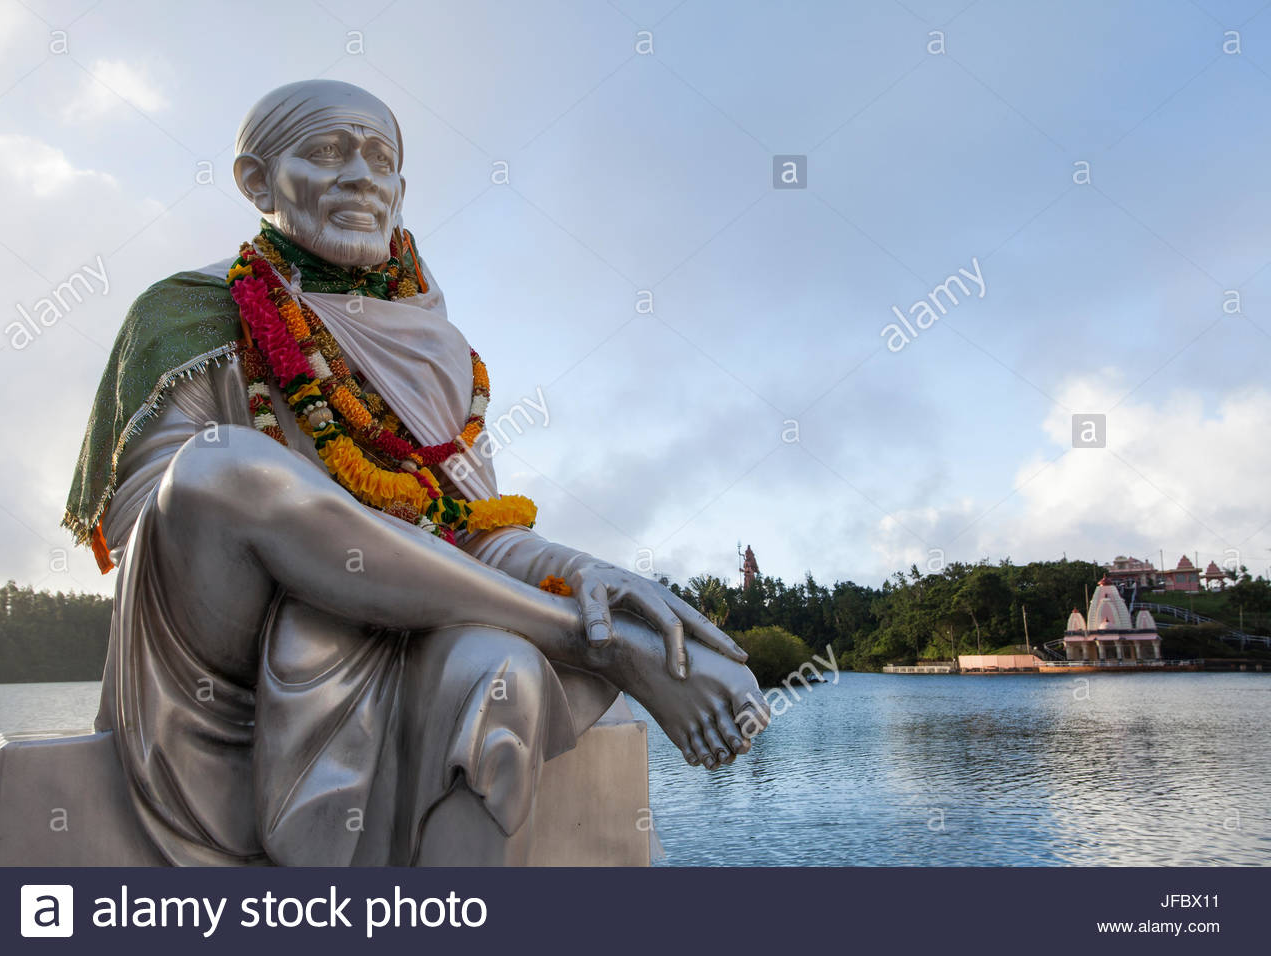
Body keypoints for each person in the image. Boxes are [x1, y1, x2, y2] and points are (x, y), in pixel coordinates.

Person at [63, 79, 768, 866]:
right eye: (328, 152)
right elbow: (160, 529)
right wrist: (314, 546)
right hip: (223, 639)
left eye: (382, 159)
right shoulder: (186, 313)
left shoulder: (436, 346)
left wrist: (592, 574)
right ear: (256, 181)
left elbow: (473, 530)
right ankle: (585, 641)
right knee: (223, 468)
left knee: (502, 676)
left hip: (410, 614)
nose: (363, 177)